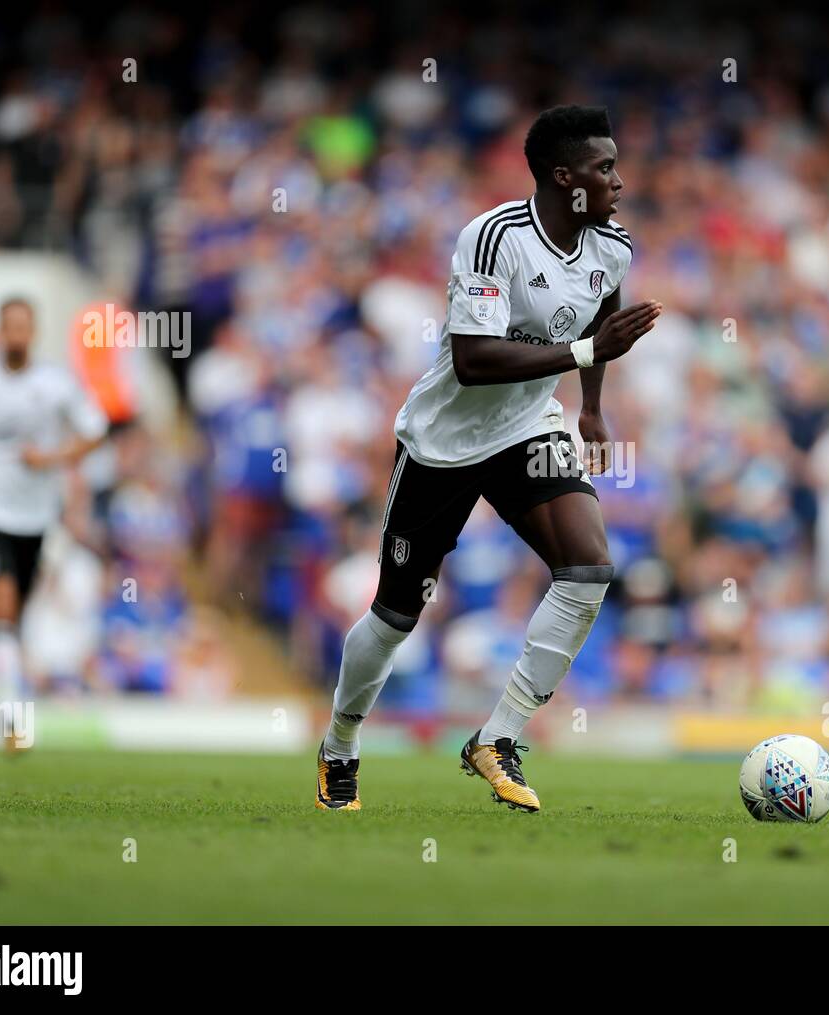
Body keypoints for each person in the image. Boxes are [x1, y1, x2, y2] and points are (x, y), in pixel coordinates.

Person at [317, 105, 661, 811]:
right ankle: (340, 744)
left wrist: (591, 405)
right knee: (395, 613)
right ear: (564, 179)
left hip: (528, 428)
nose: (618, 182)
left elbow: (604, 317)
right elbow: (473, 361)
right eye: (604, 169)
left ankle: (497, 737)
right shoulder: (493, 236)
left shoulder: (612, 246)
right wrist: (589, 354)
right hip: (445, 442)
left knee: (589, 566)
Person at [0, 297, 109, 747]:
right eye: (9, 327)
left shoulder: (56, 384)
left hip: (36, 517)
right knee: (0, 608)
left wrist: (53, 458)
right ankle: (12, 718)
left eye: (24, 326)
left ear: (33, 332)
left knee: (11, 621)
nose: (16, 335)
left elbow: (95, 432)